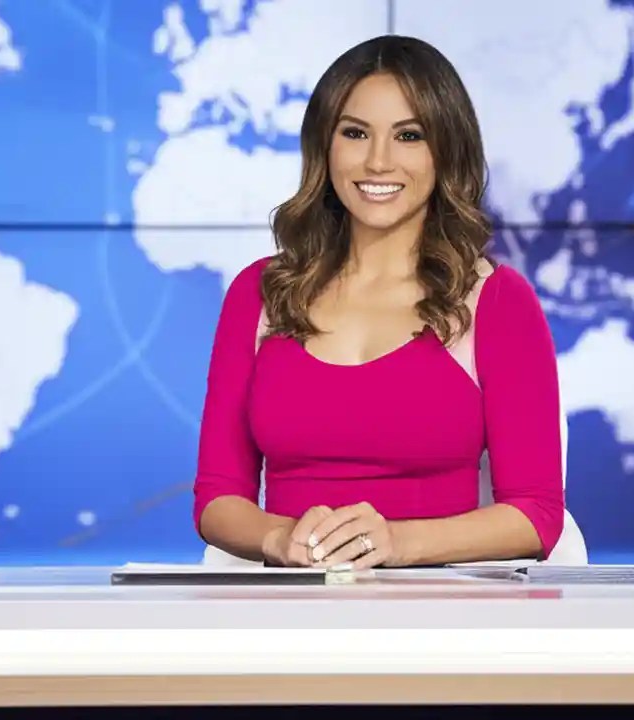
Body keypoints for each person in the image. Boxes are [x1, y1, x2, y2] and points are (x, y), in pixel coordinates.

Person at [191, 35, 565, 570]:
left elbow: (536, 513)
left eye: (409, 135)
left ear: (446, 151)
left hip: (438, 622)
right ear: (326, 145)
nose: (378, 161)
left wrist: (394, 542)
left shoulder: (497, 302)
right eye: (355, 133)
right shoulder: (260, 292)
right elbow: (218, 497)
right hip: (289, 616)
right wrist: (282, 540)